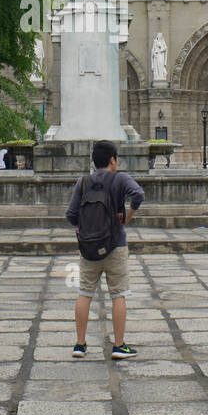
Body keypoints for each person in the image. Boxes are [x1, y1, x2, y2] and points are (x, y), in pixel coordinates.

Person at [68, 140, 144, 360]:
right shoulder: (119, 178)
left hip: (88, 248)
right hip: (115, 245)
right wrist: (127, 217)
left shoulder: (82, 182)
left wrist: (84, 232)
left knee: (84, 293)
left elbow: (71, 214)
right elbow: (138, 195)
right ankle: (119, 346)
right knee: (118, 294)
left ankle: (80, 344)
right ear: (113, 160)